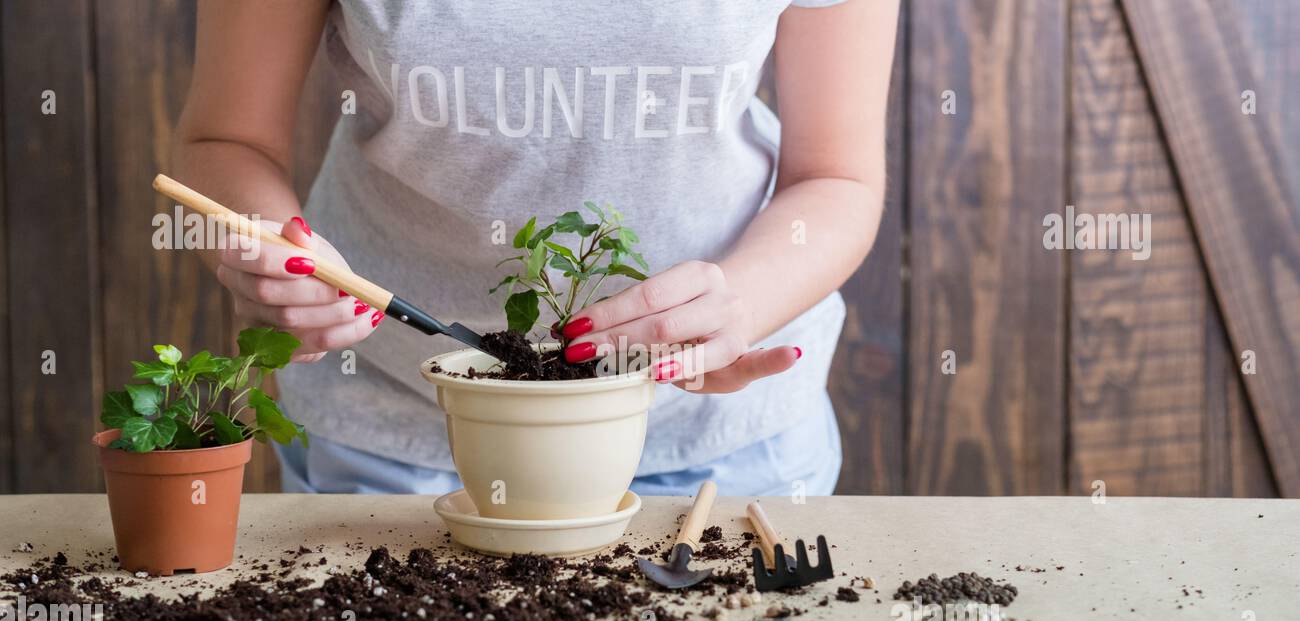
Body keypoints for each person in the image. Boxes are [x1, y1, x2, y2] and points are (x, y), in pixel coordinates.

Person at [174, 0, 897, 497]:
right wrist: (271, 252)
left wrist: (742, 301)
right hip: (398, 438)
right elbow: (223, 140)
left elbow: (836, 175)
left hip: (712, 442)